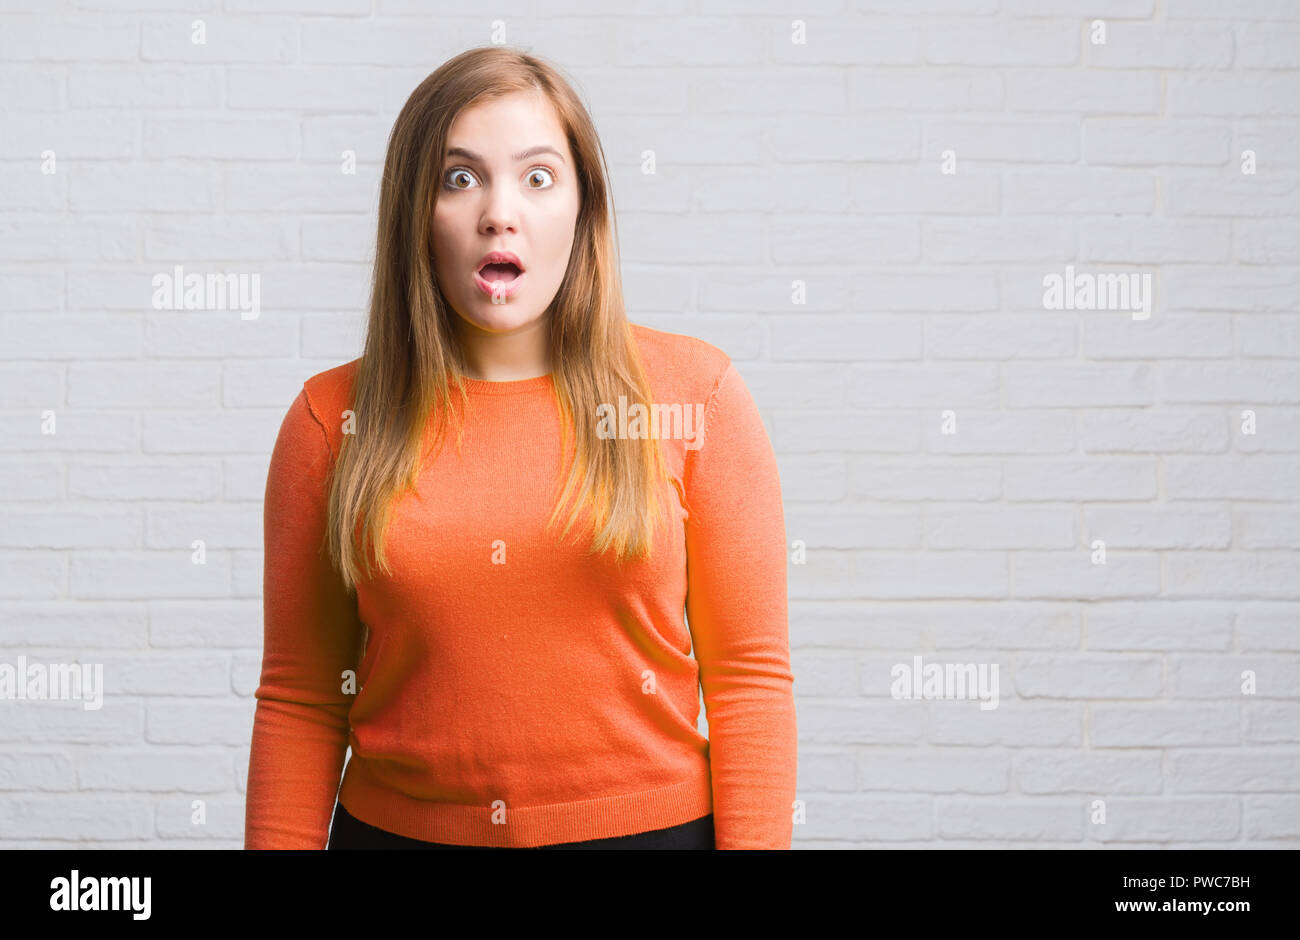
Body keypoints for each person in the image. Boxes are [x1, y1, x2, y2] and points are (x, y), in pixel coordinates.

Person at [243, 45, 797, 850]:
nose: (498, 211)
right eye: (459, 177)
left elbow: (749, 683)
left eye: (537, 177)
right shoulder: (331, 421)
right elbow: (301, 699)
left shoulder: (695, 397)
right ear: (414, 212)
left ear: (583, 208)